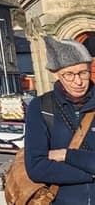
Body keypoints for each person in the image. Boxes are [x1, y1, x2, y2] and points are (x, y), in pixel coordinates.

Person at [24, 35, 95, 203]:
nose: (78, 81)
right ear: (55, 73)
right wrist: (91, 174)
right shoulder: (41, 108)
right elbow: (37, 168)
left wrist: (66, 155)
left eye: (83, 73)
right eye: (69, 74)